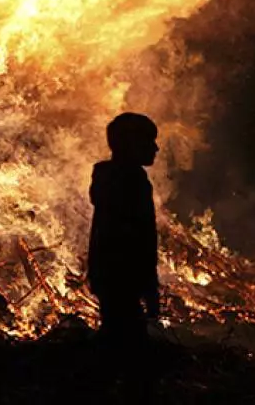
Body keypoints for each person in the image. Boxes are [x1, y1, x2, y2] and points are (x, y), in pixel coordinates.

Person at [87, 112, 160, 353]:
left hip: (108, 274)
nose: (155, 148)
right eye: (149, 141)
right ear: (131, 144)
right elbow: (140, 236)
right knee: (128, 344)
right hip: (123, 276)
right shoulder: (132, 182)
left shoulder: (108, 177)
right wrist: (149, 285)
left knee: (115, 334)